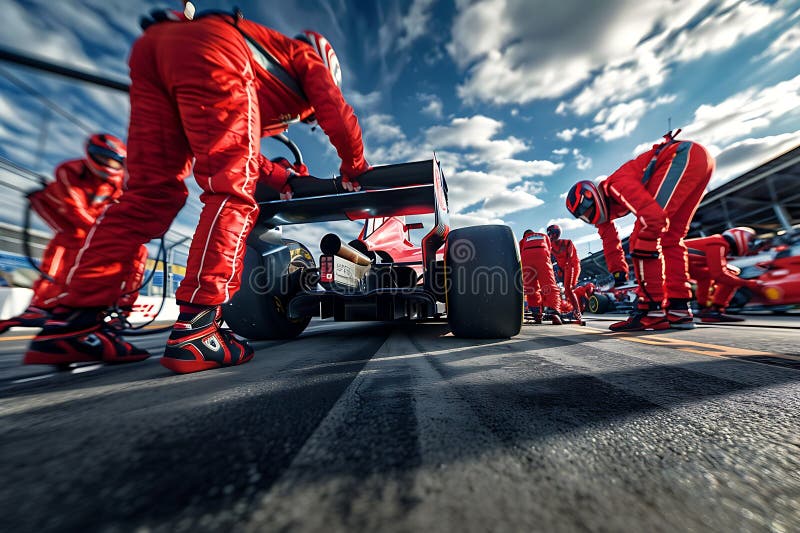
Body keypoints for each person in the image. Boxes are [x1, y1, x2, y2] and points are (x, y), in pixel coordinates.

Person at [24, 7, 371, 373]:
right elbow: (336, 109)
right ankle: (197, 329)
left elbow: (239, 146)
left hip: (154, 51)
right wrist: (356, 167)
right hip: (211, 47)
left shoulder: (259, 66)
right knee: (233, 193)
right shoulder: (303, 54)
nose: (307, 116)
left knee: (149, 197)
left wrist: (280, 178)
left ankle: (74, 325)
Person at [0, 134, 148, 337]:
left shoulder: (121, 183)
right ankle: (42, 305)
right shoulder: (69, 170)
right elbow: (75, 212)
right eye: (104, 158)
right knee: (72, 242)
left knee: (138, 251)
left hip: (94, 226)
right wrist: (108, 234)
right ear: (91, 154)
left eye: (114, 161)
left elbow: (125, 211)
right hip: (68, 220)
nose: (109, 164)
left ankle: (121, 309)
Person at [565, 130, 714, 331]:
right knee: (671, 239)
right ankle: (679, 309)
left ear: (592, 195)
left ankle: (650, 310)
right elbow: (610, 242)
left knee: (644, 233)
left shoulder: (615, 185)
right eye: (583, 218)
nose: (589, 218)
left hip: (682, 157)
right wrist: (618, 271)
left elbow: (652, 218)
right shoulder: (604, 216)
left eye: (587, 211)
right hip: (696, 159)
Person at [687, 227, 762, 322]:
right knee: (728, 275)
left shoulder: (719, 244)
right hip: (671, 264)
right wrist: (747, 283)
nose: (750, 245)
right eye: (750, 241)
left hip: (683, 265)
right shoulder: (718, 243)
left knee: (707, 276)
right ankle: (713, 309)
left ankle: (706, 309)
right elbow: (719, 274)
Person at [519, 229, 562, 325]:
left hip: (526, 258)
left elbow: (519, 252)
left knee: (531, 288)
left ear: (525, 235)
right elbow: (549, 249)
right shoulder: (543, 235)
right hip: (542, 256)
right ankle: (554, 311)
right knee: (549, 284)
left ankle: (536, 314)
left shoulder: (523, 240)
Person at [547, 224, 582, 322]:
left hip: (571, 266)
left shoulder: (567, 242)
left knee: (568, 289)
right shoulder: (550, 246)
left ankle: (577, 312)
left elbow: (571, 259)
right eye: (551, 234)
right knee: (564, 290)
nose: (552, 236)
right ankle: (571, 310)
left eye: (554, 234)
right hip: (563, 269)